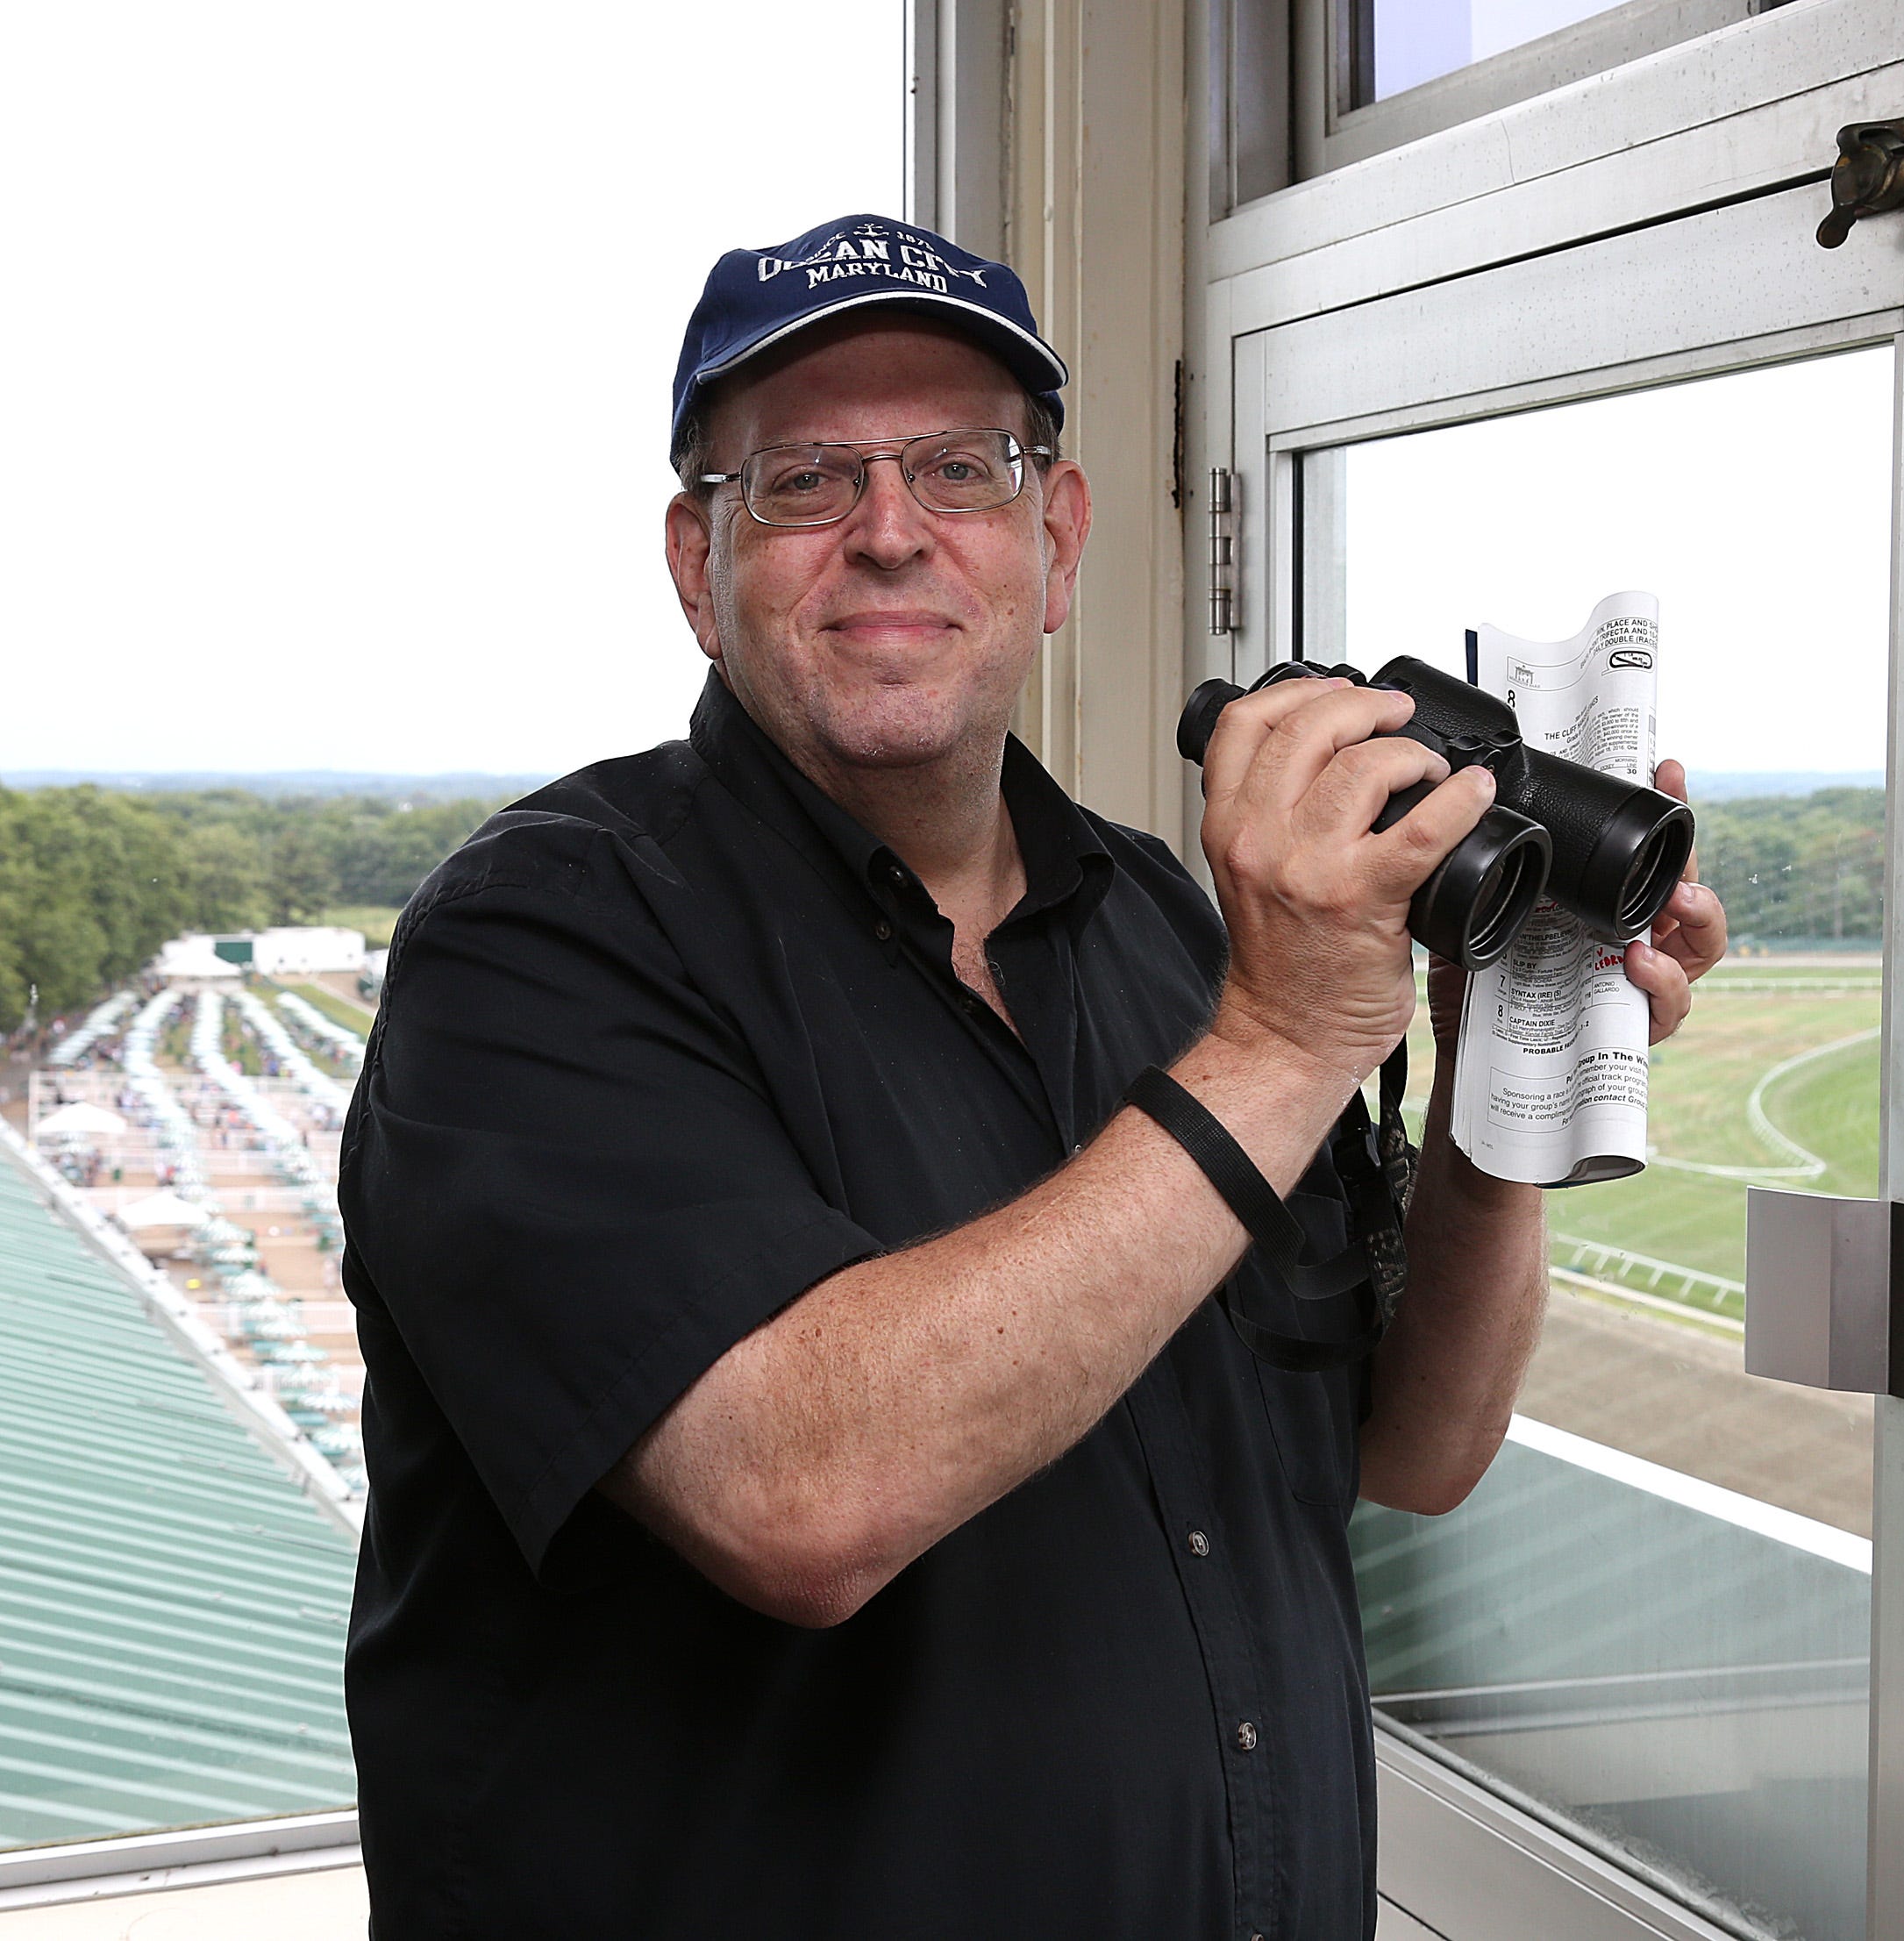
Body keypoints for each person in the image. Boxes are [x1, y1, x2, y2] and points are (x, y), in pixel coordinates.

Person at [338, 213, 1727, 1938]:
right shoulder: (539, 946)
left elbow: (1418, 1446)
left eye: (961, 469)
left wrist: (1498, 1060)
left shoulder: (1173, 925)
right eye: (802, 485)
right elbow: (797, 1493)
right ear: (699, 566)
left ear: (1053, 544)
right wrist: (1291, 1036)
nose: (892, 533)